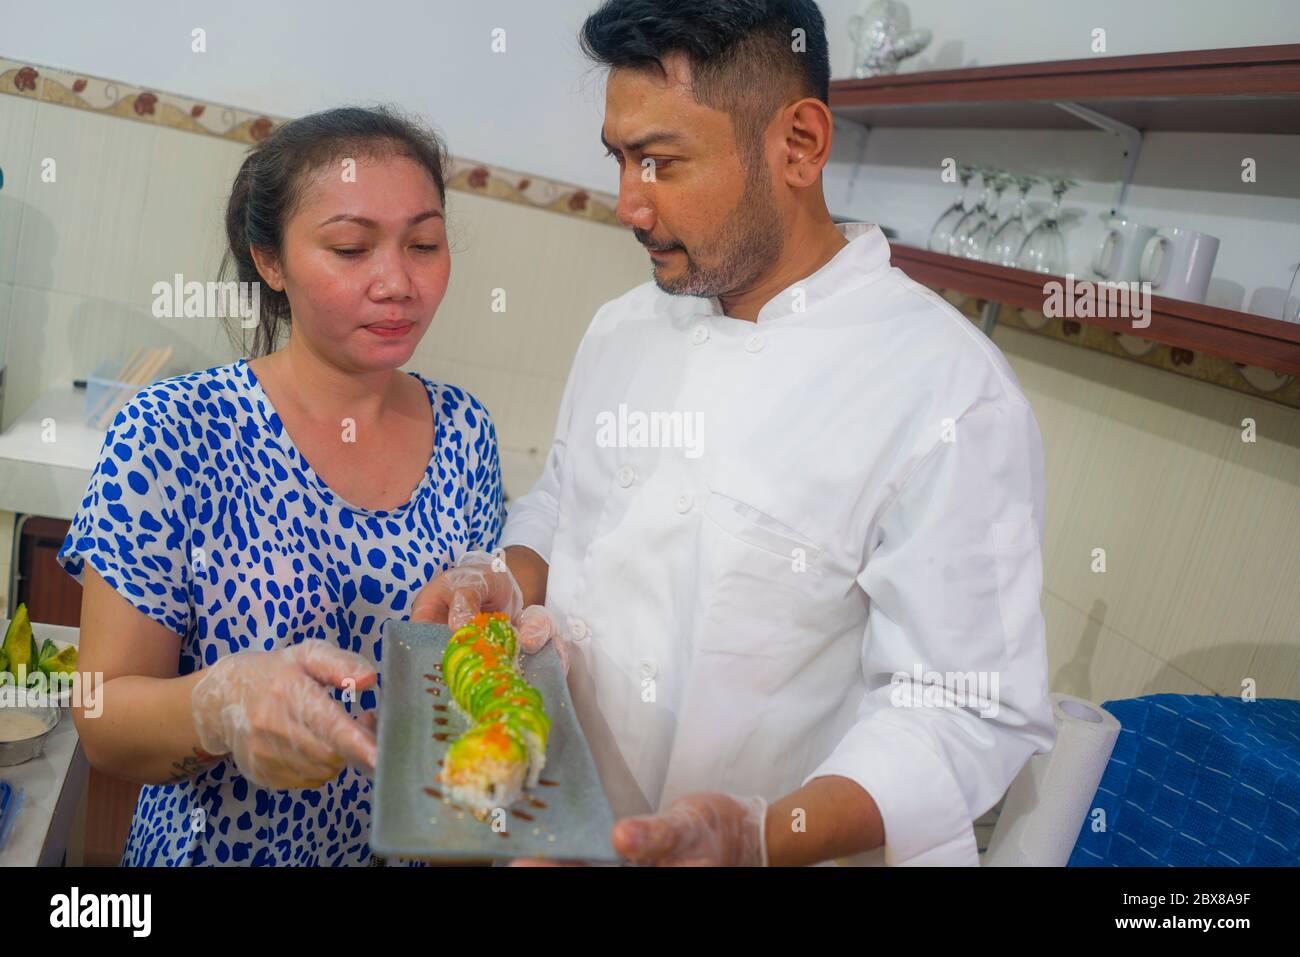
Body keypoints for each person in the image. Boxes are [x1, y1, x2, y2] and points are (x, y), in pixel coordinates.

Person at [412, 0, 1056, 867]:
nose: (628, 205)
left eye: (661, 162)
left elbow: (964, 708)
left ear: (799, 144)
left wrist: (759, 833)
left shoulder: (947, 392)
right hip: (561, 828)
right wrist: (503, 577)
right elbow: (565, 501)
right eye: (621, 159)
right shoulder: (624, 326)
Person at [58, 105, 505, 866]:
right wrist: (220, 708)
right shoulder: (173, 432)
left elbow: (470, 659)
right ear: (271, 261)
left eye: (423, 244)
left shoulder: (467, 433)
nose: (397, 281)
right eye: (351, 247)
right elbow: (103, 718)